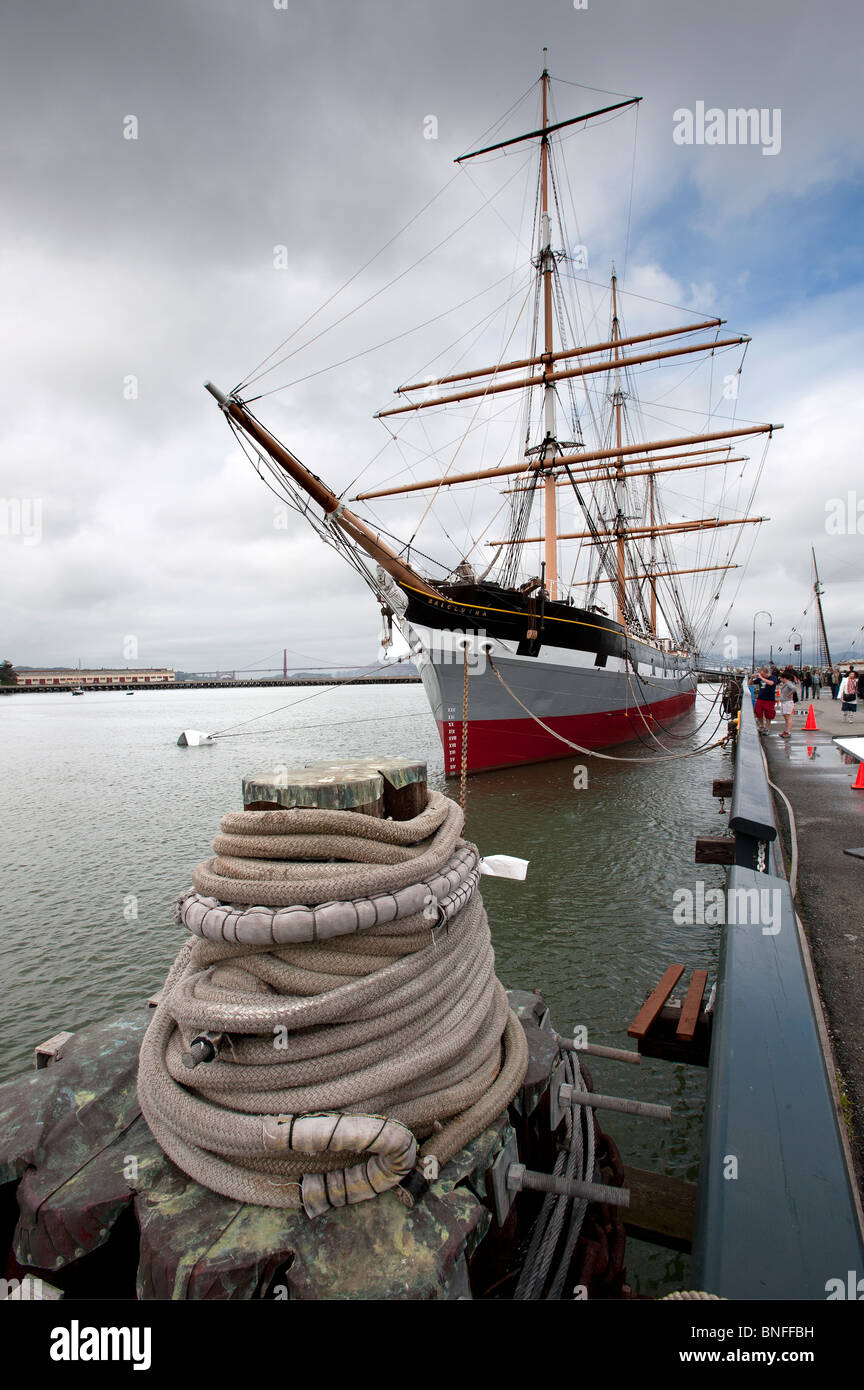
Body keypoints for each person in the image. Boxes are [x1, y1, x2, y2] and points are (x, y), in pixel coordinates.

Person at [777, 667, 800, 738]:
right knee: (786, 717)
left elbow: (794, 688)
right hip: (785, 701)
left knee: (788, 717)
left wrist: (790, 694)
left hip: (787, 702)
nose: (780, 680)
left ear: (784, 678)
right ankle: (786, 731)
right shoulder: (786, 683)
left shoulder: (788, 683)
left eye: (781, 678)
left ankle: (788, 731)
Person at [753, 666, 778, 732]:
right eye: (761, 674)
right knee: (758, 712)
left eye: (763, 674)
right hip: (760, 698)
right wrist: (752, 678)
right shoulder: (761, 679)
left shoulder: (773, 678)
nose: (762, 676)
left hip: (769, 699)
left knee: (768, 715)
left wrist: (761, 677)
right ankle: (761, 725)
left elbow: (771, 683)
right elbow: (750, 683)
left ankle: (767, 728)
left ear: (766, 673)